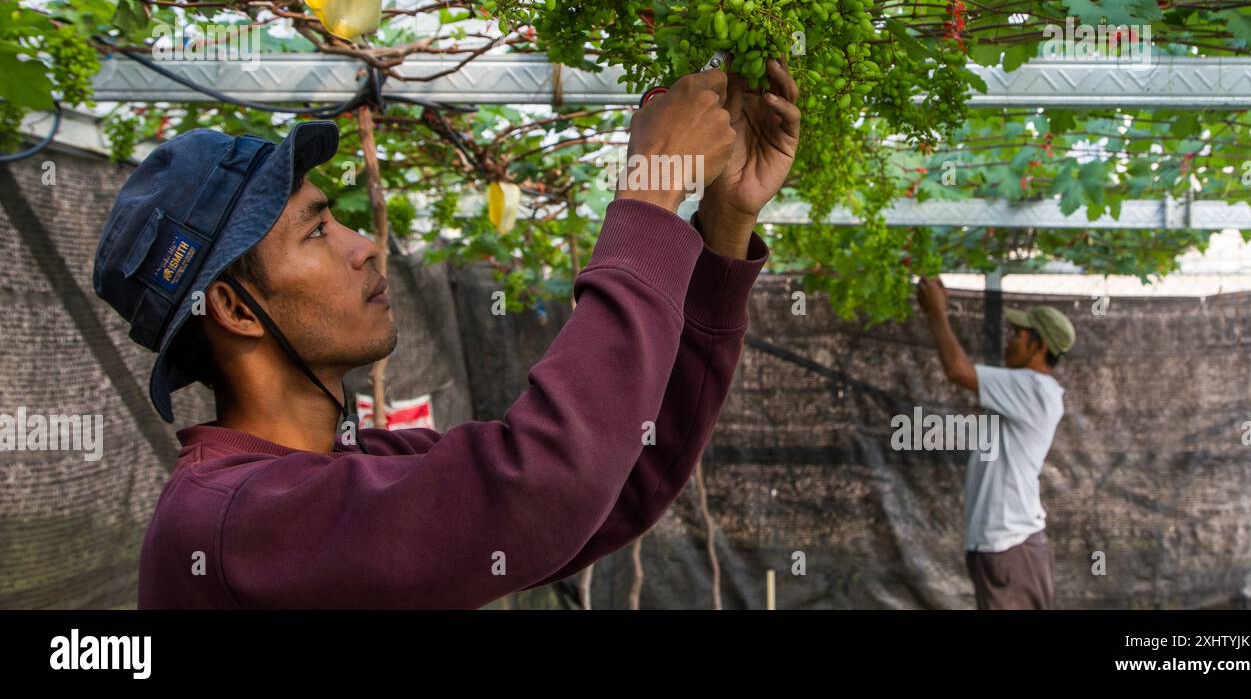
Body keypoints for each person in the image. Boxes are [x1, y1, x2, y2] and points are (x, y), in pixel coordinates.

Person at [92, 58, 800, 608]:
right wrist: (650, 193)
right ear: (237, 311)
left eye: (334, 217)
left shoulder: (344, 471)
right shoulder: (231, 522)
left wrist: (726, 225)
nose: (364, 245)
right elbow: (543, 481)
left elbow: (621, 480)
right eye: (315, 231)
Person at [914, 275, 1075, 609]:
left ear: (1039, 346)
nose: (1010, 341)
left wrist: (937, 314)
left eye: (1019, 335)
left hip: (1010, 547)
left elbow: (958, 370)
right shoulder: (1027, 392)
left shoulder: (1033, 388)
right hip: (1002, 546)